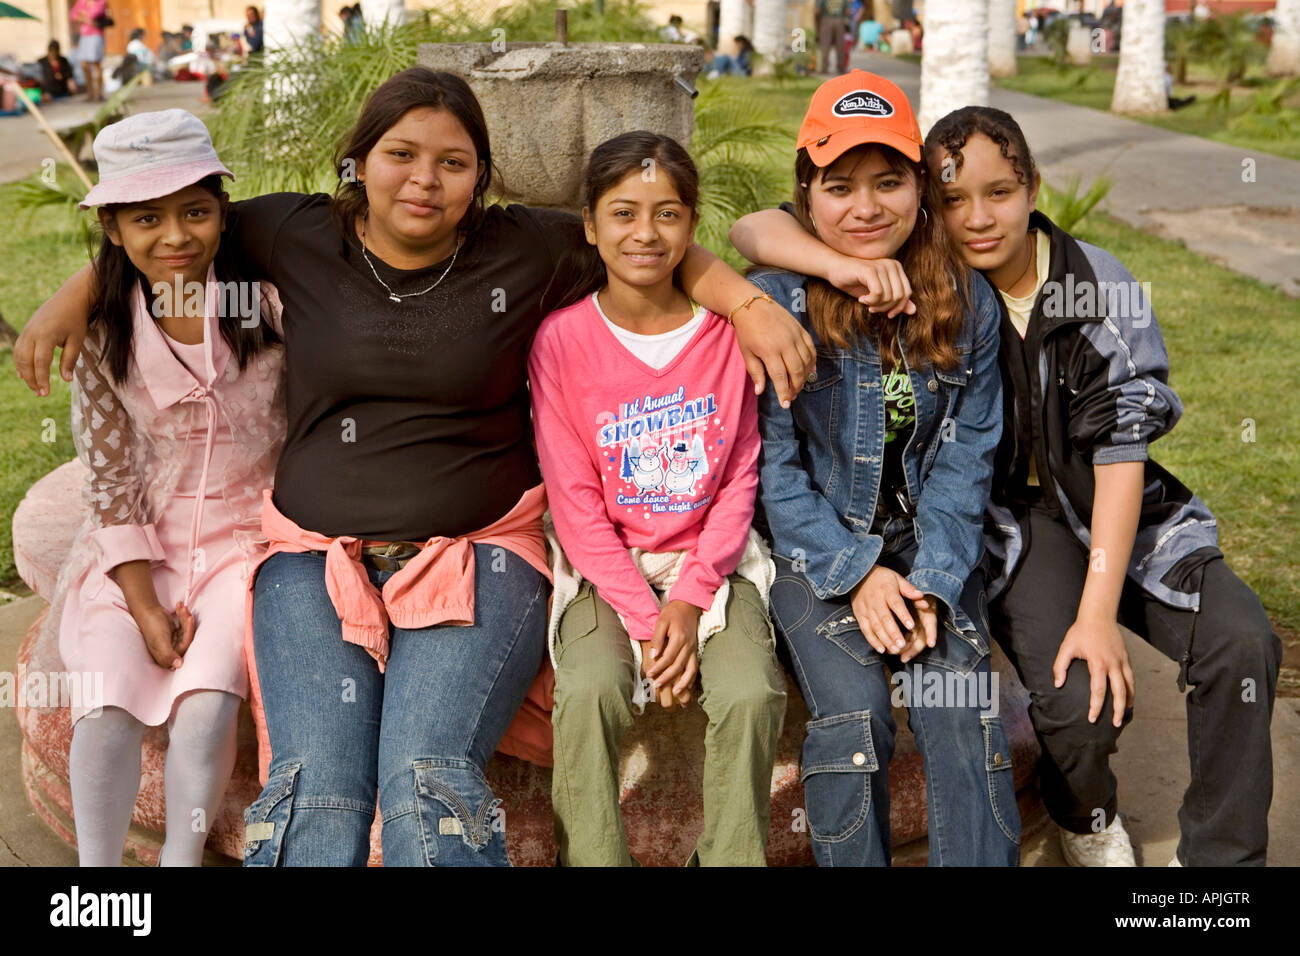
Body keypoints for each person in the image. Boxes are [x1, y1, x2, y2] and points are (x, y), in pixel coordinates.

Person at [15, 68, 814, 867]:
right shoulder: (296, 234)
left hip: (479, 557)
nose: (425, 181)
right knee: (315, 787)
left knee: (427, 779)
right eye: (401, 154)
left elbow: (646, 235)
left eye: (454, 163)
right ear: (358, 162)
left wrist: (747, 305)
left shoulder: (522, 248)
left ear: (480, 177)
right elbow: (175, 236)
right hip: (311, 561)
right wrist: (75, 294)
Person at [732, 103, 1283, 867]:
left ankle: (1221, 871)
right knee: (1068, 699)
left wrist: (1096, 611)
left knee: (1241, 643)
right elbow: (749, 230)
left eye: (1000, 193)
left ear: (1032, 189)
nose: (977, 218)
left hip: (1116, 506)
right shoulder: (897, 287)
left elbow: (1117, 456)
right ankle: (1086, 816)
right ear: (933, 200)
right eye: (955, 198)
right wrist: (833, 267)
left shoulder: (1079, 291)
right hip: (1012, 525)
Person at [730, 71, 1019, 866]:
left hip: (930, 547)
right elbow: (772, 474)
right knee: (855, 718)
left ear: (920, 187)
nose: (865, 209)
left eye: (888, 182)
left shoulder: (964, 297)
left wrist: (930, 579)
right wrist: (858, 574)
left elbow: (969, 454)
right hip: (815, 553)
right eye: (840, 187)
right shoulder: (776, 304)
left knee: (961, 704)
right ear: (807, 195)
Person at [530, 131, 786, 867]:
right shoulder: (561, 341)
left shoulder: (724, 337)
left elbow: (739, 476)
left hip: (713, 562)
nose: (645, 233)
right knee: (588, 692)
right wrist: (644, 621)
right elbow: (575, 502)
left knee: (750, 696)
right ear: (590, 225)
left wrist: (690, 598)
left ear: (693, 224)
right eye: (623, 213)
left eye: (667, 213)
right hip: (603, 566)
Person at [49, 109, 285, 866]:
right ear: (113, 231)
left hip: (247, 541)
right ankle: (97, 879)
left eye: (195, 211)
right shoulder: (102, 331)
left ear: (223, 212)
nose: (175, 236)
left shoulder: (269, 306)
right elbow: (109, 476)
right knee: (107, 703)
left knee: (209, 704)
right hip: (135, 547)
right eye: (146, 218)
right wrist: (144, 603)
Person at [69, 0, 107, 101]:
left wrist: (83, 15)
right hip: (85, 35)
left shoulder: (101, 2)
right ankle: (90, 93)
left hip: (96, 35)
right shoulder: (82, 1)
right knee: (84, 64)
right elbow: (72, 15)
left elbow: (93, 15)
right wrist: (86, 18)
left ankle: (99, 93)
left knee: (96, 64)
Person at [816, 0, 851, 74]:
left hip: (826, 20)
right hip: (839, 20)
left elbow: (817, 11)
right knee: (840, 46)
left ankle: (824, 68)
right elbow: (848, 11)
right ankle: (841, 68)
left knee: (825, 45)